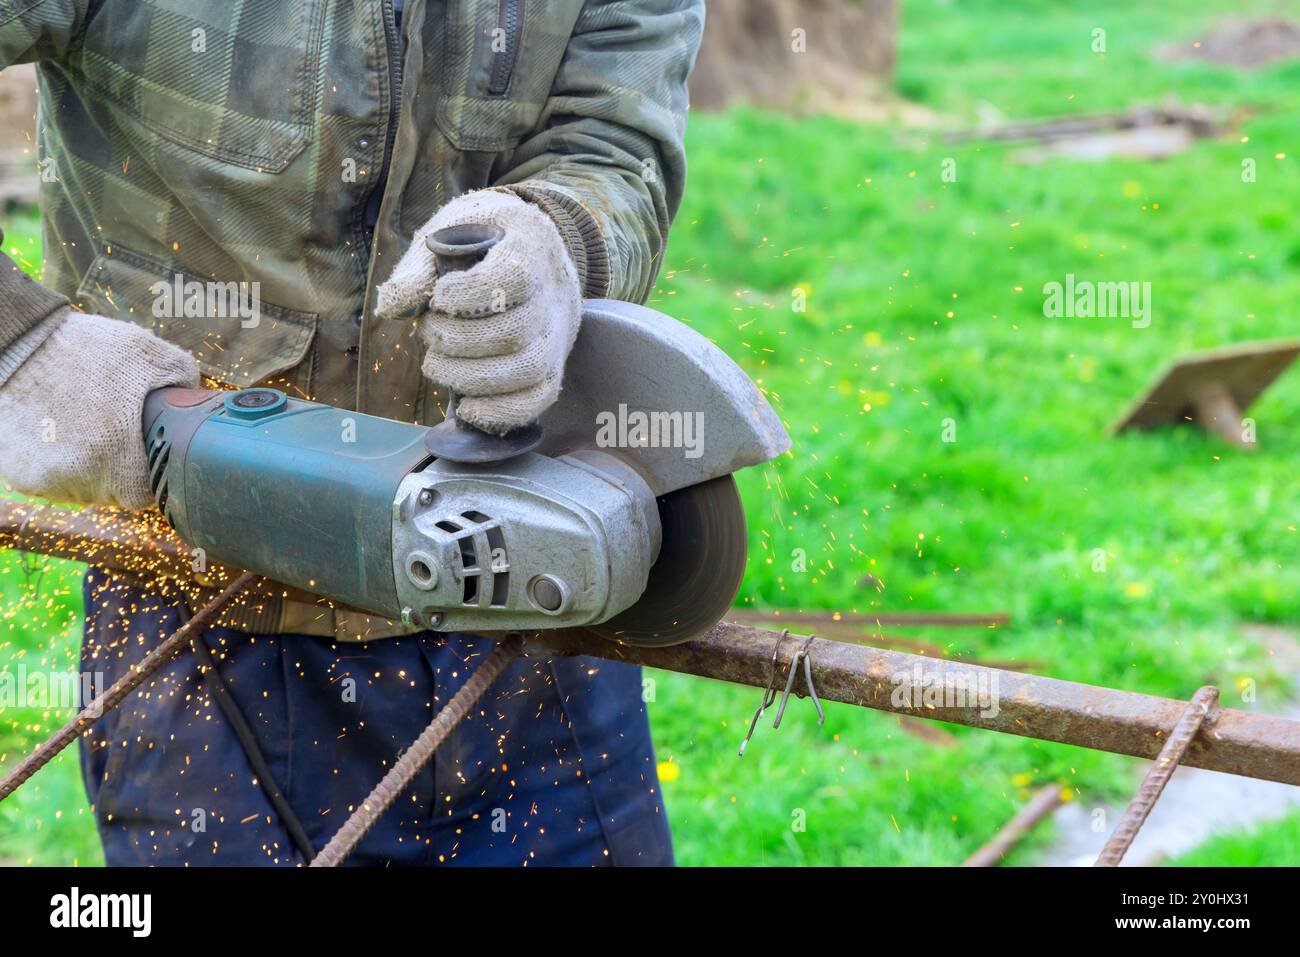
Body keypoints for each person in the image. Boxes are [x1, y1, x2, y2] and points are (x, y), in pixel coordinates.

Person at [0, 0, 704, 866]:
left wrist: (557, 238)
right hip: (205, 622)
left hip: (537, 594)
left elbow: (611, 143)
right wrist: (20, 339)